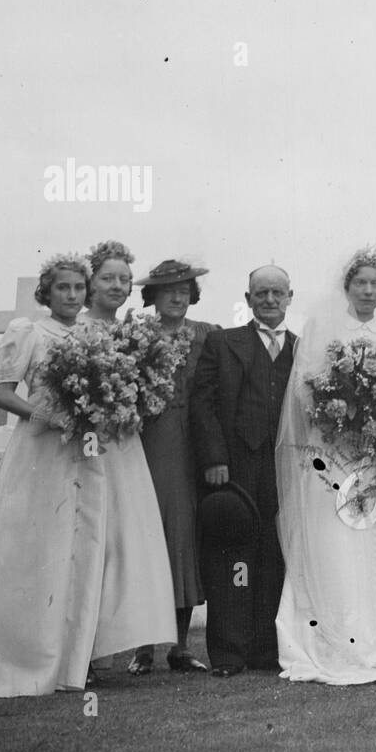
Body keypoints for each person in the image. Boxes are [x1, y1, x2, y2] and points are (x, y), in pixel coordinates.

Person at [0, 251, 176, 696]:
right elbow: (3, 395)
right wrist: (45, 414)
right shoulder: (27, 331)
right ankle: (13, 653)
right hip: (40, 449)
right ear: (46, 293)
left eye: (77, 288)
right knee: (33, 551)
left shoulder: (92, 333)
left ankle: (75, 657)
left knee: (81, 549)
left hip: (83, 456)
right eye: (62, 288)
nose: (71, 295)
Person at [274, 247, 376, 684]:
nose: (367, 290)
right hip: (332, 451)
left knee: (368, 540)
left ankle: (372, 640)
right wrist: (340, 413)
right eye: (360, 282)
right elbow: (305, 390)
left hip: (369, 453)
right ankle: (328, 638)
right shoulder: (323, 325)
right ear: (347, 286)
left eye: (375, 284)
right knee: (331, 539)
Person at [190, 264, 297, 678]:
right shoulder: (223, 342)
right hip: (234, 466)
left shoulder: (302, 349)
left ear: (291, 297)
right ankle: (230, 653)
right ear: (248, 298)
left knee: (274, 556)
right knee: (232, 557)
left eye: (278, 293)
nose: (270, 300)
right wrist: (214, 458)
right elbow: (203, 404)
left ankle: (267, 651)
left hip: (282, 468)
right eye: (262, 293)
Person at [128, 259, 219, 676]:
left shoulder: (208, 335)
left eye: (184, 289)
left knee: (185, 538)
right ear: (153, 297)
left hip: (194, 446)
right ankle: (142, 647)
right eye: (168, 291)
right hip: (151, 443)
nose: (178, 296)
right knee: (151, 537)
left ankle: (180, 647)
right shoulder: (137, 336)